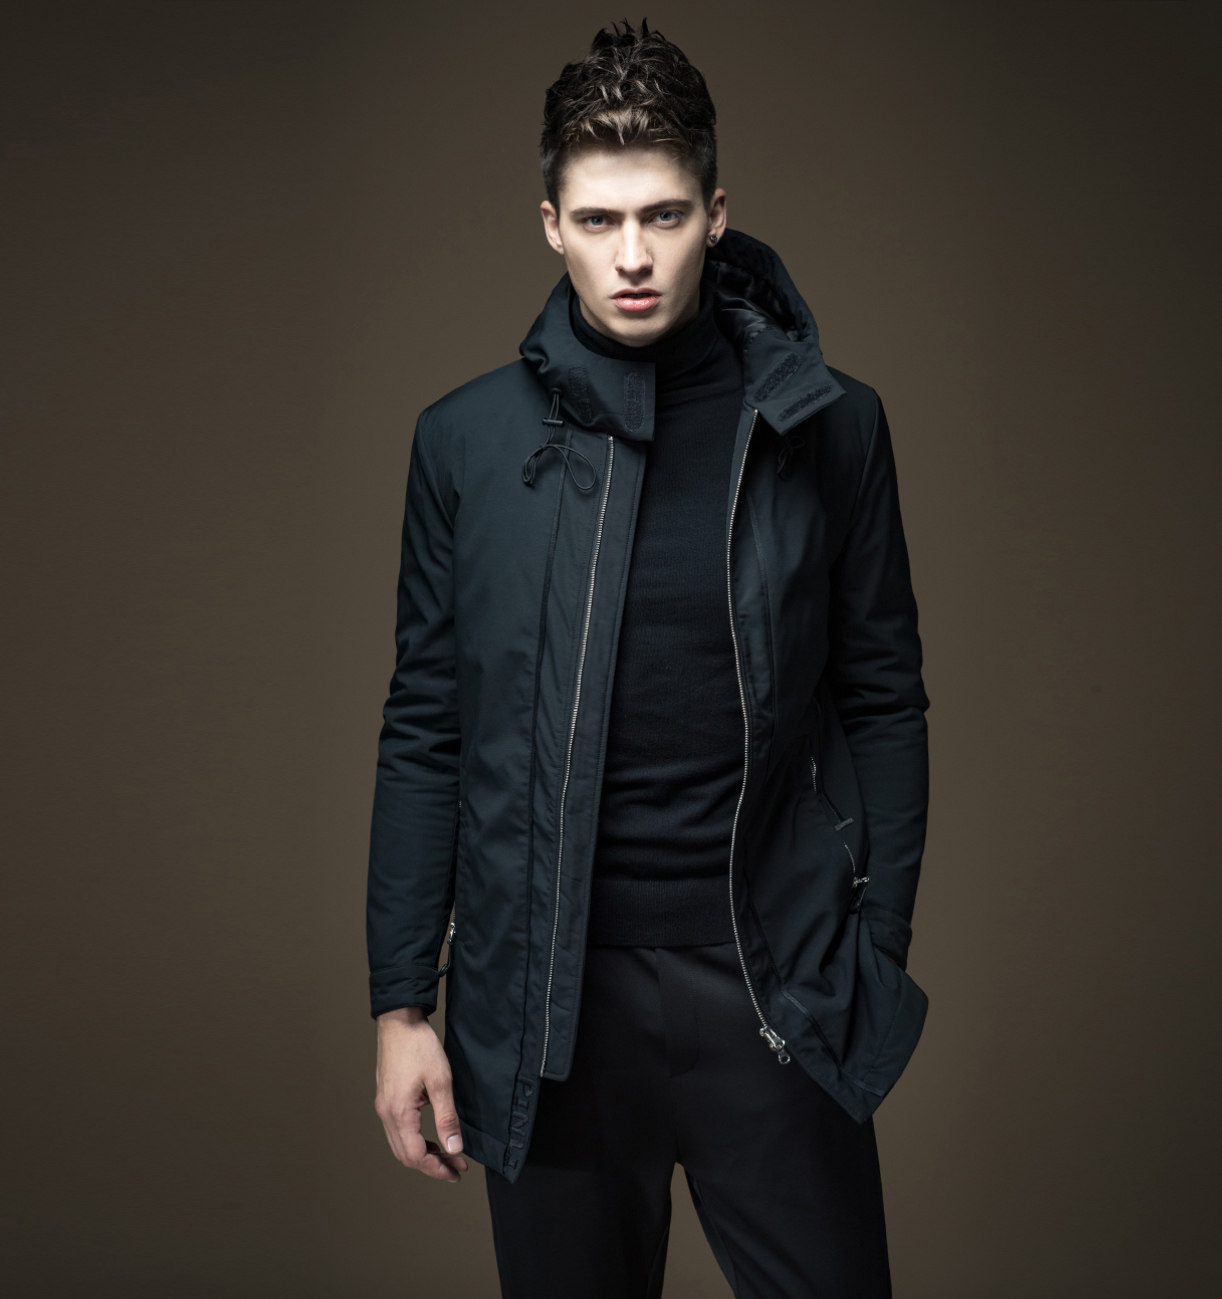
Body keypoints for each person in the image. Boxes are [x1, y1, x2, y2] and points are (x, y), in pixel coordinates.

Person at [367, 19, 930, 1298]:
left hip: (776, 988)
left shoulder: (832, 427)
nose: (633, 257)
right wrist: (402, 1008)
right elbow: (426, 724)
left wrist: (875, 941)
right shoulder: (463, 443)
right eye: (600, 220)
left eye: (665, 217)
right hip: (552, 1013)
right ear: (550, 225)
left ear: (716, 215)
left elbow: (885, 697)